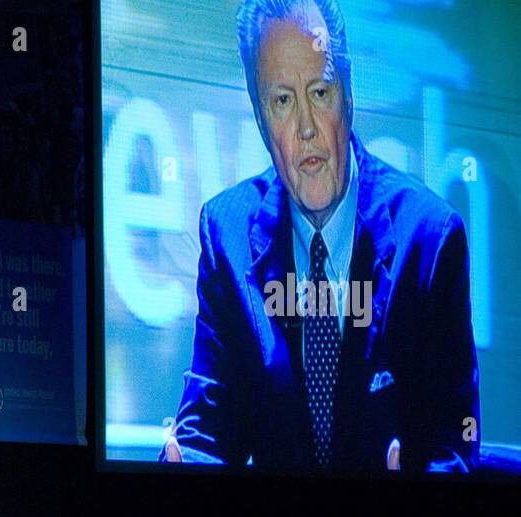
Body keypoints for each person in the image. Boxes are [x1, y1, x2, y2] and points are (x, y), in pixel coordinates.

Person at [164, 0, 478, 472]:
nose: (306, 128)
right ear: (259, 114)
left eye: (320, 91)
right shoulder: (225, 233)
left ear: (349, 96)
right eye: (283, 101)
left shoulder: (430, 240)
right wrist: (182, 466)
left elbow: (453, 444)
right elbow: (209, 428)